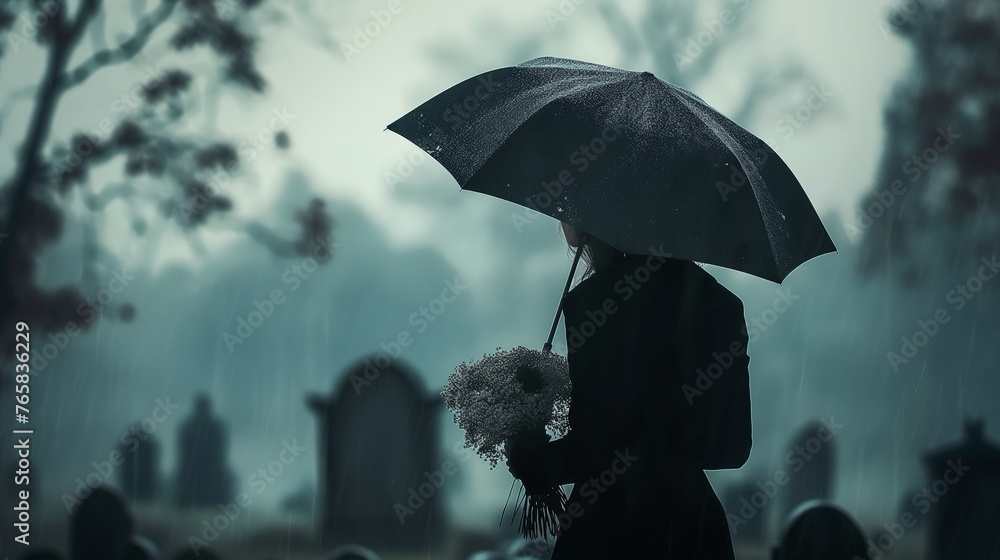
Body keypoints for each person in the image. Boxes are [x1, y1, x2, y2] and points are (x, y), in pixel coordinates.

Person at [506, 223, 753, 559]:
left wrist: (535, 462)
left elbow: (597, 447)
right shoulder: (723, 305)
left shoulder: (591, 302)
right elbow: (733, 449)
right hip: (691, 534)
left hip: (605, 533)